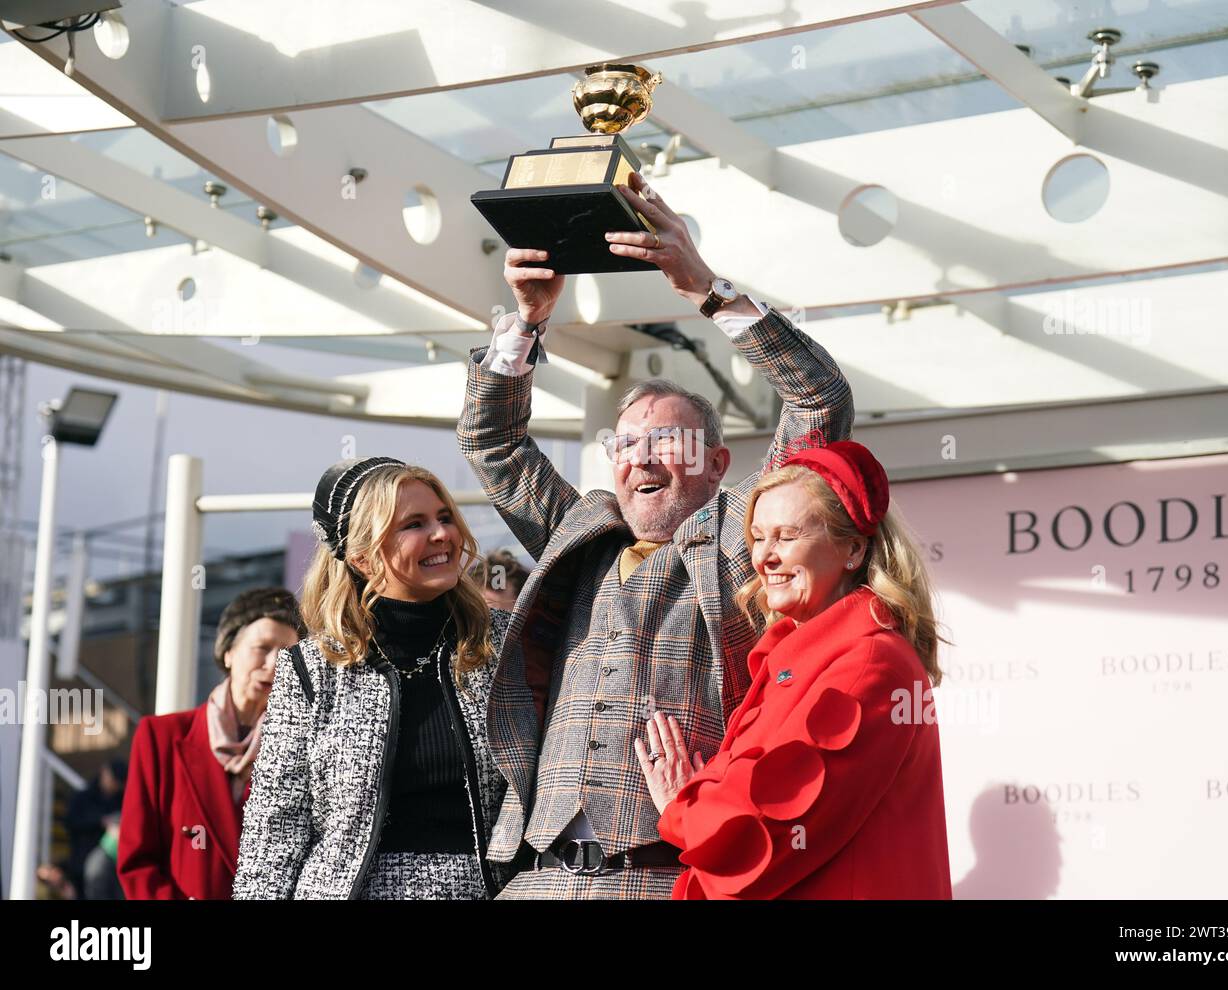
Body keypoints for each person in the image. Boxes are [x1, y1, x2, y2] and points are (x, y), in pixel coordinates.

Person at [457, 170, 855, 898]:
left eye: (668, 443)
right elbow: (494, 444)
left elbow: (818, 401)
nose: (642, 458)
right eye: (628, 444)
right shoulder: (578, 534)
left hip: (662, 878)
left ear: (717, 465)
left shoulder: (742, 538)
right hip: (535, 882)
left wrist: (707, 288)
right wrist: (526, 321)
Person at [637, 438, 952, 898]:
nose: (764, 557)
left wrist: (682, 808)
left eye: (786, 536)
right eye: (758, 537)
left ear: (854, 550)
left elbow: (762, 826)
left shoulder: (869, 663)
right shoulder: (797, 657)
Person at [234, 458, 511, 900]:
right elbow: (274, 832)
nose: (442, 534)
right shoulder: (311, 669)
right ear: (362, 556)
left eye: (444, 517)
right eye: (414, 524)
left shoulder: (501, 645)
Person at [118, 587, 305, 899]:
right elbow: (137, 863)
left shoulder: (302, 748)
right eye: (262, 647)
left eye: (287, 653)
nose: (274, 664)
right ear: (228, 653)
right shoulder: (161, 738)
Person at [64, 758, 125, 896]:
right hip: (83, 859)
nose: (114, 785)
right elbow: (70, 822)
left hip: (112, 862)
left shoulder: (120, 799)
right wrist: (100, 822)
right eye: (113, 780)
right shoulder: (82, 798)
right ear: (104, 774)